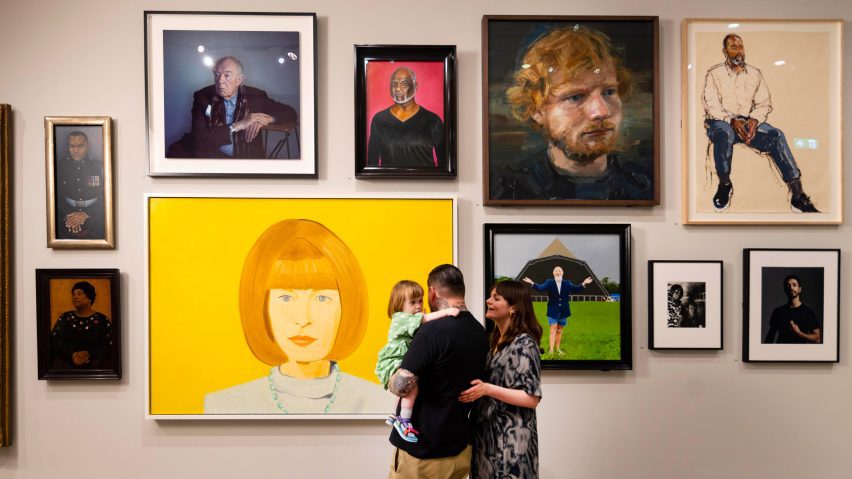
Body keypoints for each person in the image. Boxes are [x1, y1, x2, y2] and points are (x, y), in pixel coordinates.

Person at [204, 219, 390, 414]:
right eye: (286, 297)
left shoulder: (381, 402)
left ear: (347, 306)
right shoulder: (224, 406)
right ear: (261, 306)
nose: (303, 319)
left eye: (321, 298)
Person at [491, 25, 653, 201]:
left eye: (609, 92)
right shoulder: (510, 188)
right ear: (536, 110)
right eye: (575, 97)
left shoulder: (645, 181)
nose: (601, 112)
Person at [386, 264, 488, 479]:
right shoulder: (479, 332)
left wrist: (389, 372)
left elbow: (400, 386)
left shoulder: (431, 331)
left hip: (422, 453)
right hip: (460, 448)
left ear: (432, 292)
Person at [702, 34, 818, 213]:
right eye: (733, 47)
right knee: (724, 133)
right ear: (725, 51)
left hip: (749, 123)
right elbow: (711, 106)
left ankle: (797, 193)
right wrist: (732, 120)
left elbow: (764, 104)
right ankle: (725, 185)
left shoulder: (755, 74)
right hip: (722, 122)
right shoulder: (714, 74)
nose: (738, 51)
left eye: (740, 47)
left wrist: (755, 121)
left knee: (776, 135)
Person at [460, 280, 543, 478]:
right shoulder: (494, 341)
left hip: (510, 446)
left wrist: (487, 389)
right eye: (490, 296)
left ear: (514, 307)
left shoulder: (525, 344)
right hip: (486, 441)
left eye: (496, 298)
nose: (488, 301)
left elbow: (531, 398)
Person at [375, 280, 459, 443]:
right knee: (411, 386)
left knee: (406, 388)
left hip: (401, 359)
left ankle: (395, 414)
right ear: (399, 304)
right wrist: (447, 312)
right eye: (412, 302)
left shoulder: (410, 319)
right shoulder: (401, 318)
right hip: (393, 360)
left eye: (420, 300)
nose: (418, 306)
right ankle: (404, 420)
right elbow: (426, 319)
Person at [182, 56, 298, 159]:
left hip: (247, 161)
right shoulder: (203, 97)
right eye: (217, 75)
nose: (220, 81)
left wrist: (266, 119)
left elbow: (290, 112)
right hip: (213, 159)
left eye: (227, 75)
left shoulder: (256, 96)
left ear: (239, 80)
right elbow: (198, 139)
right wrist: (239, 125)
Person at [367, 66, 446, 168]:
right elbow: (372, 162)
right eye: (394, 84)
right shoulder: (379, 120)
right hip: (388, 182)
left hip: (425, 182)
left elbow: (444, 163)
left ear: (415, 85)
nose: (398, 89)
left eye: (404, 84)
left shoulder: (433, 121)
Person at [523, 266, 592, 355]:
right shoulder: (549, 282)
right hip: (552, 310)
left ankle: (558, 349)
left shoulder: (567, 283)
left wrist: (583, 283)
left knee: (559, 330)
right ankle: (551, 350)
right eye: (556, 270)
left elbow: (576, 290)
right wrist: (532, 283)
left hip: (564, 311)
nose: (557, 272)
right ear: (553, 273)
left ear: (562, 273)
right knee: (553, 329)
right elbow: (540, 288)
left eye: (559, 270)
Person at [50, 281, 112, 369]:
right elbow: (54, 341)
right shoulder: (65, 318)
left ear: (90, 298)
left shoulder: (102, 320)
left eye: (80, 294)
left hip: (96, 366)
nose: (75, 297)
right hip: (66, 365)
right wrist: (73, 354)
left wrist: (88, 354)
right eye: (74, 294)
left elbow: (109, 345)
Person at [56, 131, 105, 240]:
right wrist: (71, 217)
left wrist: (86, 214)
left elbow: (106, 196)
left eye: (80, 146)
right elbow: (56, 196)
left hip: (95, 215)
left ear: (87, 147)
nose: (76, 150)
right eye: (72, 146)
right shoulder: (59, 167)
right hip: (67, 216)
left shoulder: (99, 167)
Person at [764, 274, 821, 344]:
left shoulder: (808, 312)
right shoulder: (778, 312)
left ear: (800, 289)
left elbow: (817, 339)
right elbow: (770, 337)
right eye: (788, 285)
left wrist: (799, 333)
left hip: (801, 354)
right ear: (785, 290)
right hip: (780, 353)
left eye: (794, 285)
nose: (791, 287)